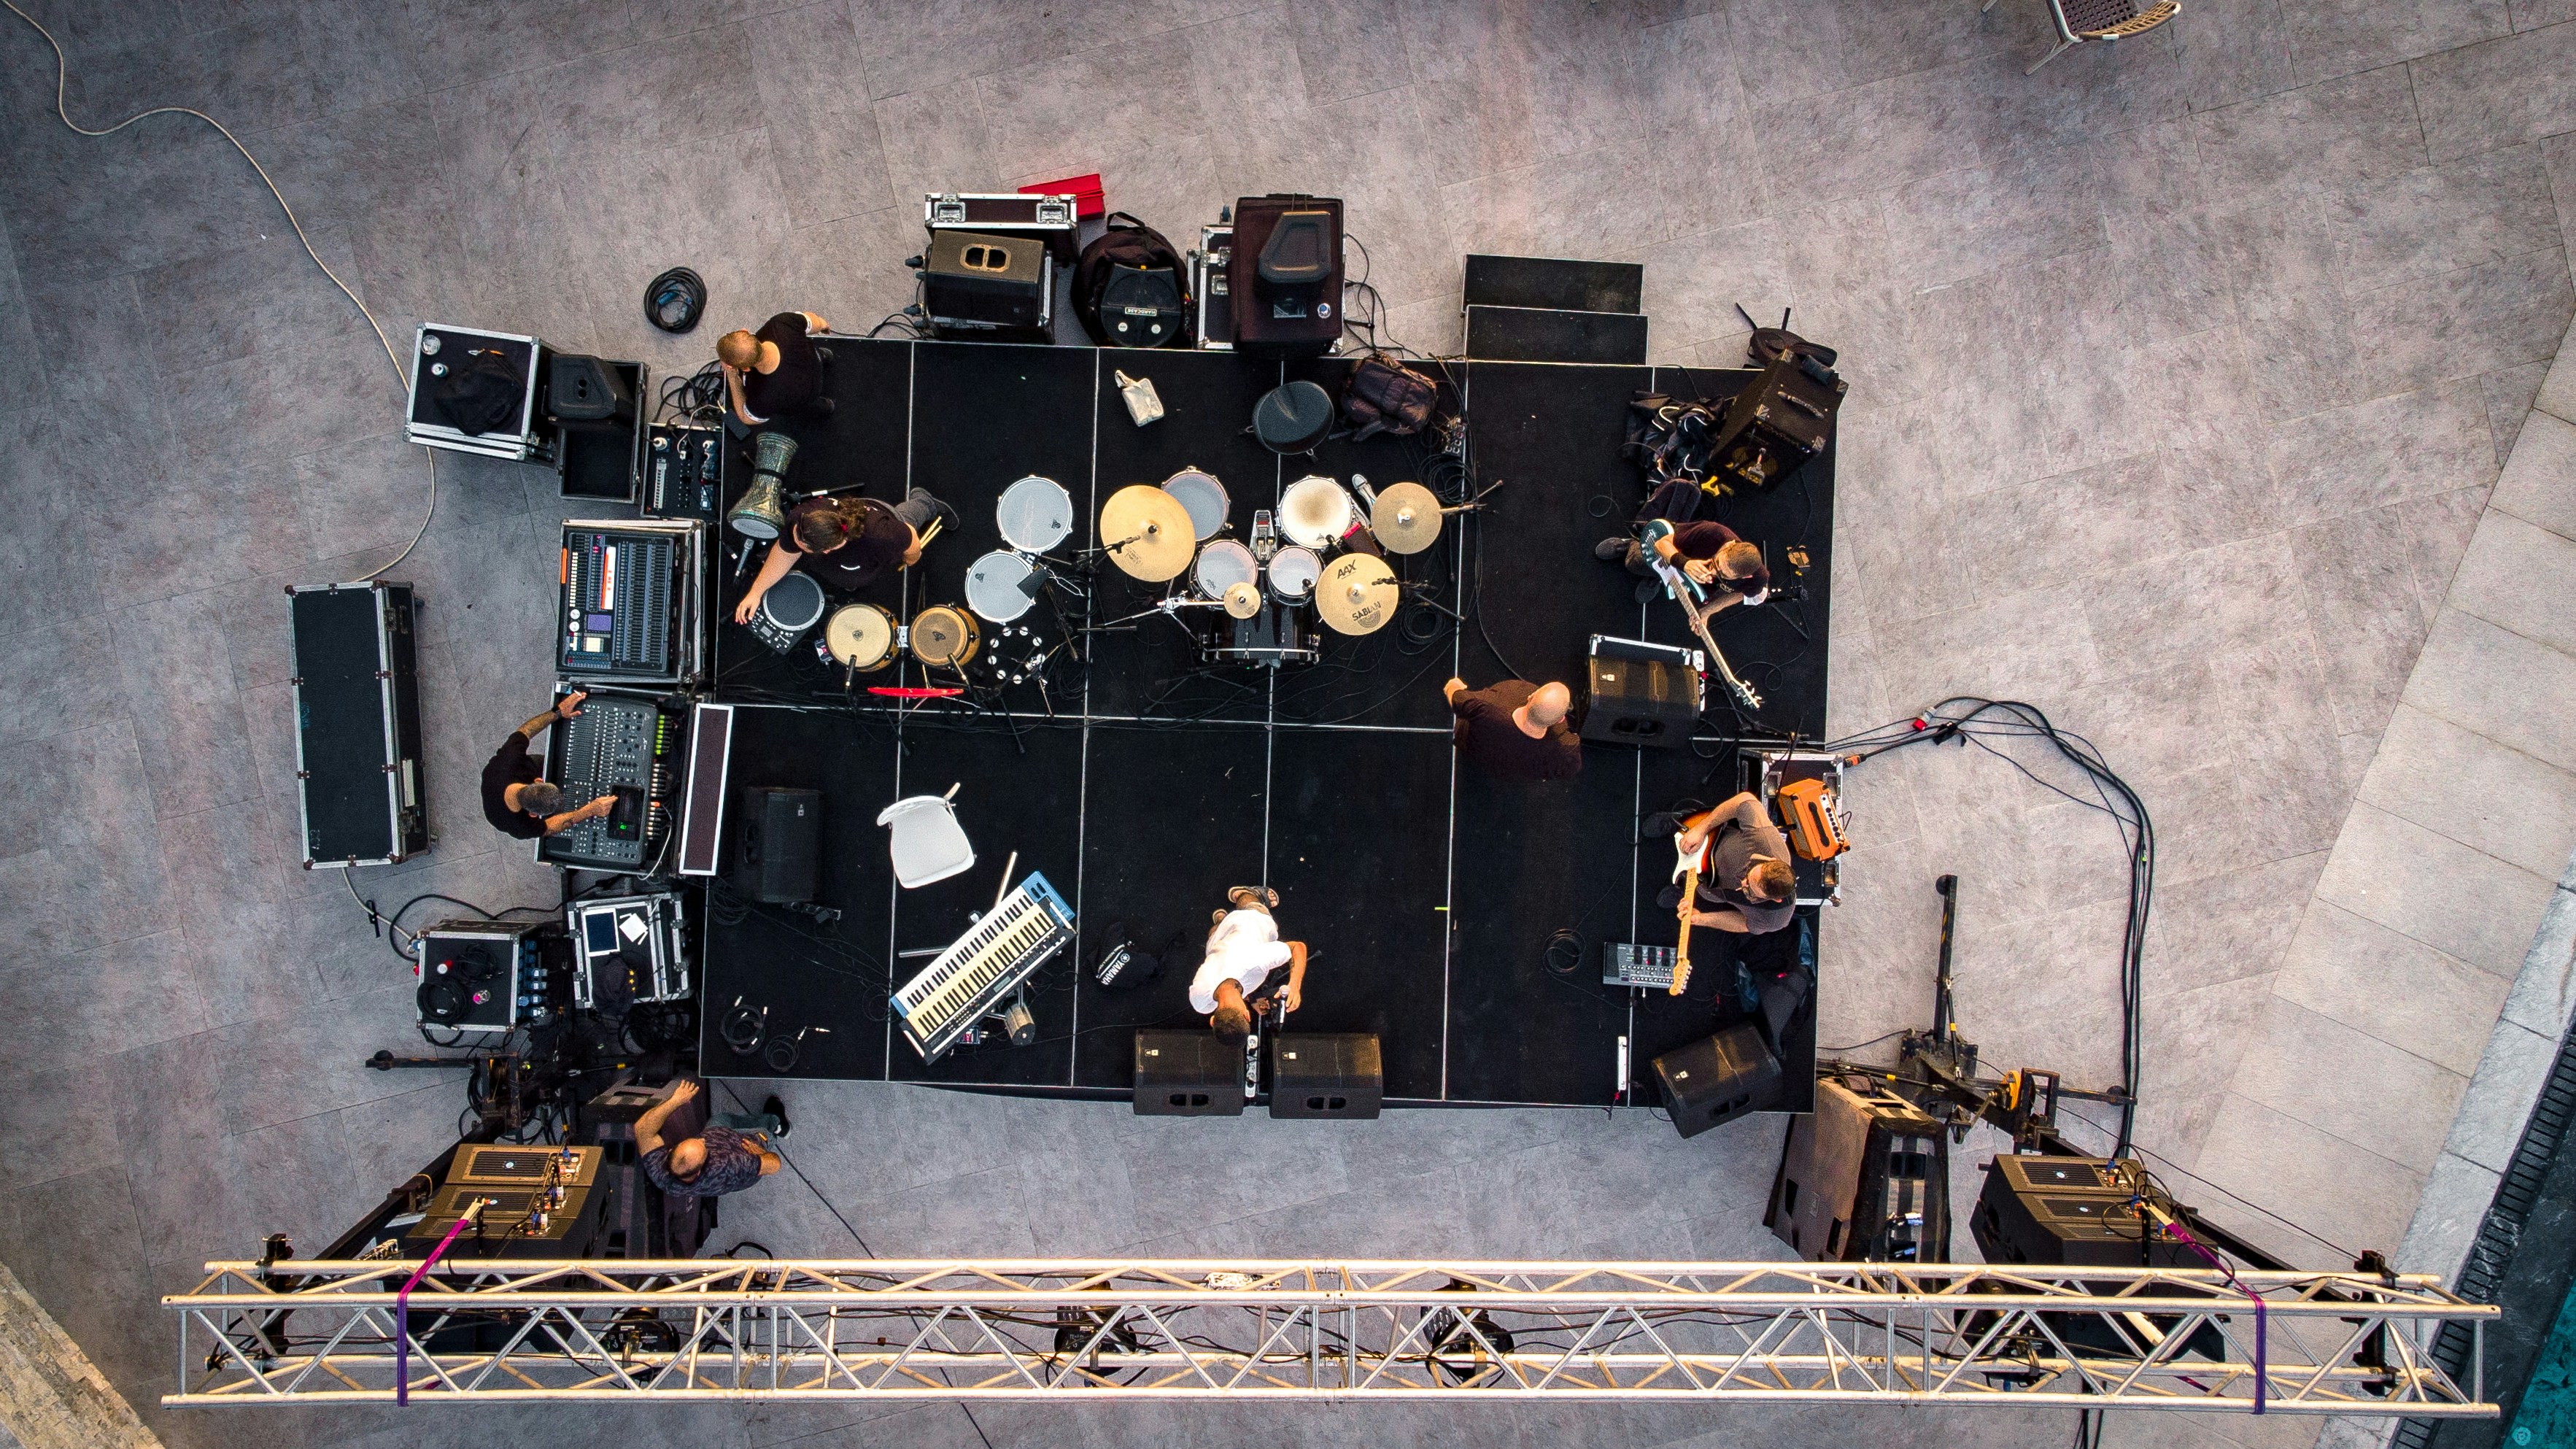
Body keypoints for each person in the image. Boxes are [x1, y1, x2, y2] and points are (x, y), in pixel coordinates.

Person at [732, 489, 959, 622]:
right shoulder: (802, 519)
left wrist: (909, 560)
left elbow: (911, 542)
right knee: (850, 580)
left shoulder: (884, 536)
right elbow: (785, 552)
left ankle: (925, 501)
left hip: (885, 527)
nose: (795, 545)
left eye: (803, 548)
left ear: (828, 550)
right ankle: (851, 582)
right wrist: (756, 592)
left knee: (906, 517)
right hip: (850, 560)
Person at [1594, 479, 1770, 607]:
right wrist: (1685, 564)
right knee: (1633, 564)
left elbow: (1743, 594)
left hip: (1685, 576)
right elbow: (1662, 543)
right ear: (1730, 546)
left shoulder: (1759, 578)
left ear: (1746, 577)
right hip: (1677, 553)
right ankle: (1632, 545)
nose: (1714, 571)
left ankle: (1657, 577)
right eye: (1717, 562)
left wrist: (1708, 612)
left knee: (1664, 576)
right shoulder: (1712, 532)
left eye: (1723, 574)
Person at [1657, 792, 1798, 936]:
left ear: (1775, 899)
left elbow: (1746, 924)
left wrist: (1701, 919)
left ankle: (1682, 885)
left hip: (1707, 885)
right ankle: (1679, 820)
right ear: (1771, 861)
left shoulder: (1775, 918)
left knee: (1698, 892)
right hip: (1712, 842)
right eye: (1750, 875)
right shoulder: (1766, 842)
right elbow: (1744, 801)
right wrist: (1701, 829)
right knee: (1689, 824)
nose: (1743, 883)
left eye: (1750, 891)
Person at [480, 692, 616, 839]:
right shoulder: (520, 827)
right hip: (504, 809)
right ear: (533, 815)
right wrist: (589, 810)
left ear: (539, 780)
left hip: (528, 767)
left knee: (551, 763)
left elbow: (526, 731)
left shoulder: (508, 760)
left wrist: (558, 711)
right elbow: (549, 826)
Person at [634, 1080, 789, 1199]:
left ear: (670, 1152)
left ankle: (765, 1122)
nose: (702, 1141)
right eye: (704, 1149)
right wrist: (762, 1153)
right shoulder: (729, 1165)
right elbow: (774, 1165)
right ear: (699, 1171)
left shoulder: (662, 1175)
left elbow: (642, 1129)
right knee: (764, 1129)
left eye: (695, 1140)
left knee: (723, 1119)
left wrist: (676, 1101)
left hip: (717, 1131)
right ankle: (779, 1127)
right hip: (745, 1146)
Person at [1190, 886, 1309, 1040]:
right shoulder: (1200, 1002)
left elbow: (1297, 948)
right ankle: (1220, 920)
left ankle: (1245, 894)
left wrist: (1294, 986)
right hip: (1217, 941)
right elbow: (1227, 987)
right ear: (1213, 1021)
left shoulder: (1256, 963)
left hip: (1248, 922)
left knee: (1254, 909)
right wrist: (1250, 998)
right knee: (1214, 937)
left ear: (1247, 1016)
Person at [1444, 676, 1581, 781]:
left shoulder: (1487, 706)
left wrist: (1453, 685)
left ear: (1531, 696)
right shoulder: (1567, 749)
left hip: (1472, 748)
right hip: (1510, 775)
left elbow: (1457, 698)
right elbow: (1567, 771)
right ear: (1560, 719)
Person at [719, 310, 833, 425]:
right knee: (815, 355)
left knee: (801, 407)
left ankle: (825, 406)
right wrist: (824, 325)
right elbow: (817, 323)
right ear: (745, 331)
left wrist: (732, 374)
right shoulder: (781, 322)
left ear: (745, 369)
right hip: (815, 361)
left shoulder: (762, 398)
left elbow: (746, 418)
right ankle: (825, 357)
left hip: (806, 397)